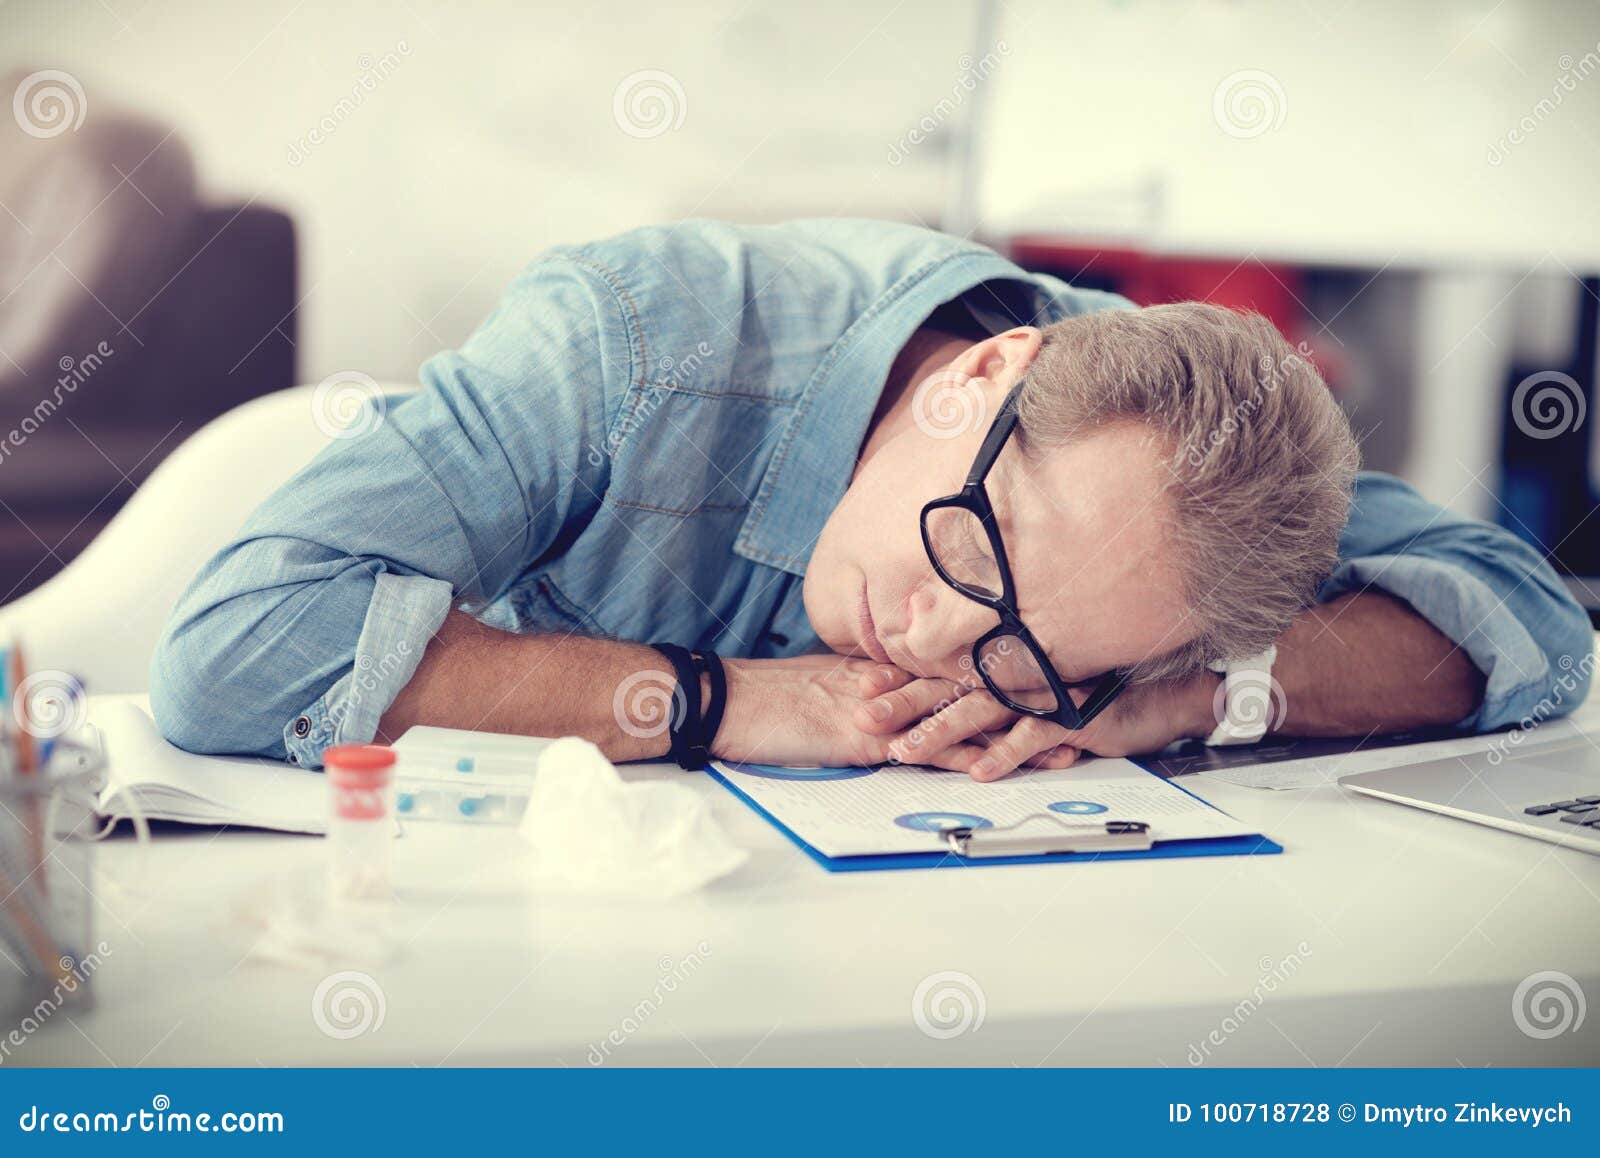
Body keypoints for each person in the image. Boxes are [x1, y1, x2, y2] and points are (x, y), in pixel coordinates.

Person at [150, 219, 1592, 780]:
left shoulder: (1194, 470)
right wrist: (719, 698)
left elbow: (1532, 622)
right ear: (983, 378)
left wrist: (1194, 691)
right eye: (975, 553)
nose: (930, 642)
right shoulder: (637, 341)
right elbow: (231, 650)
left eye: (1023, 649)